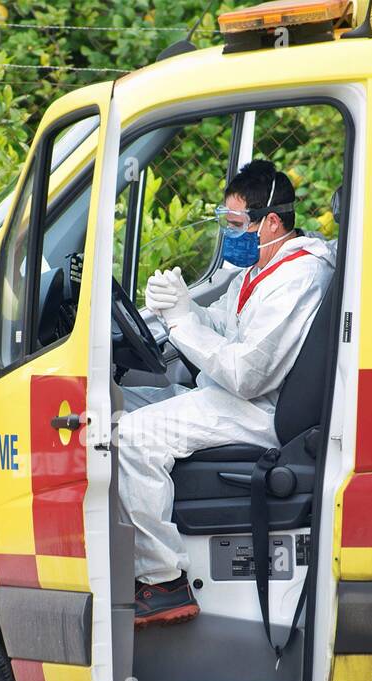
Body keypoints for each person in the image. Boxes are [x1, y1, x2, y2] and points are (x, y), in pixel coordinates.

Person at [118, 159, 335, 627]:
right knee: (110, 409)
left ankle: (162, 582)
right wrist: (177, 304)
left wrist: (180, 322)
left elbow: (247, 373)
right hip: (231, 396)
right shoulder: (261, 267)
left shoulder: (299, 278)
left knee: (131, 438)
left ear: (270, 222)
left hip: (257, 409)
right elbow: (224, 324)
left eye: (236, 224)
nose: (229, 234)